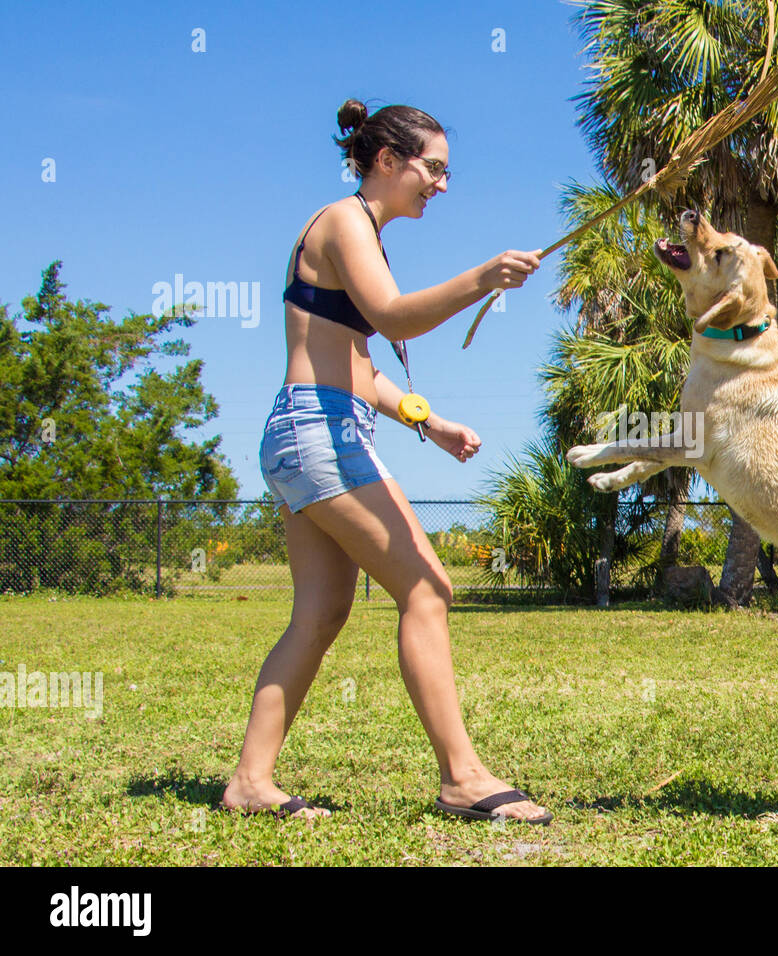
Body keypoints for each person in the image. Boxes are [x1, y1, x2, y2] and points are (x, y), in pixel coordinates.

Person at [221, 99, 550, 824]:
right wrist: (484, 277)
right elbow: (397, 316)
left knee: (321, 611)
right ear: (387, 161)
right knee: (429, 587)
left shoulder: (358, 234)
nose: (441, 184)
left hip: (310, 432)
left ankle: (250, 780)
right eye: (434, 168)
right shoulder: (344, 221)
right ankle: (463, 778)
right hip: (320, 434)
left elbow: (361, 366)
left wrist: (427, 423)